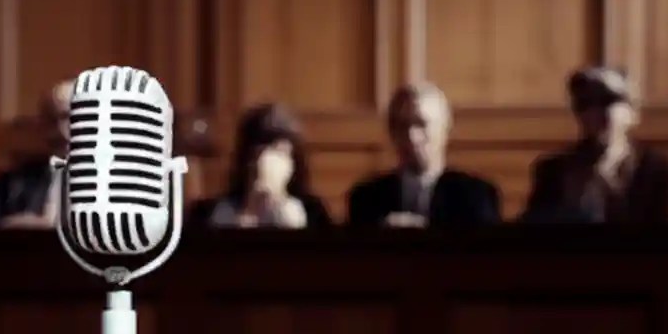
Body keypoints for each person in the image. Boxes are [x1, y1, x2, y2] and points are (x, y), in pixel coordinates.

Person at [523, 68, 668, 223]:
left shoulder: (652, 168)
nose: (595, 111)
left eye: (608, 101)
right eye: (585, 103)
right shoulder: (553, 169)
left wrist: (611, 189)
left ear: (633, 112)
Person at [347, 82, 500, 228]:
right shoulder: (365, 198)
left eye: (421, 124)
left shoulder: (475, 196)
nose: (412, 137)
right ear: (391, 132)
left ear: (445, 128)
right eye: (402, 126)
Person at [189, 103, 331, 229]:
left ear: (294, 162)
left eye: (279, 152)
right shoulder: (206, 214)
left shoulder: (314, 214)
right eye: (257, 152)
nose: (264, 162)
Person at [0, 80, 70, 229]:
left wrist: (50, 227)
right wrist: (11, 225)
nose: (60, 131)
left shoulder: (113, 180)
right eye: (51, 120)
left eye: (68, 118)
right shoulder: (17, 181)